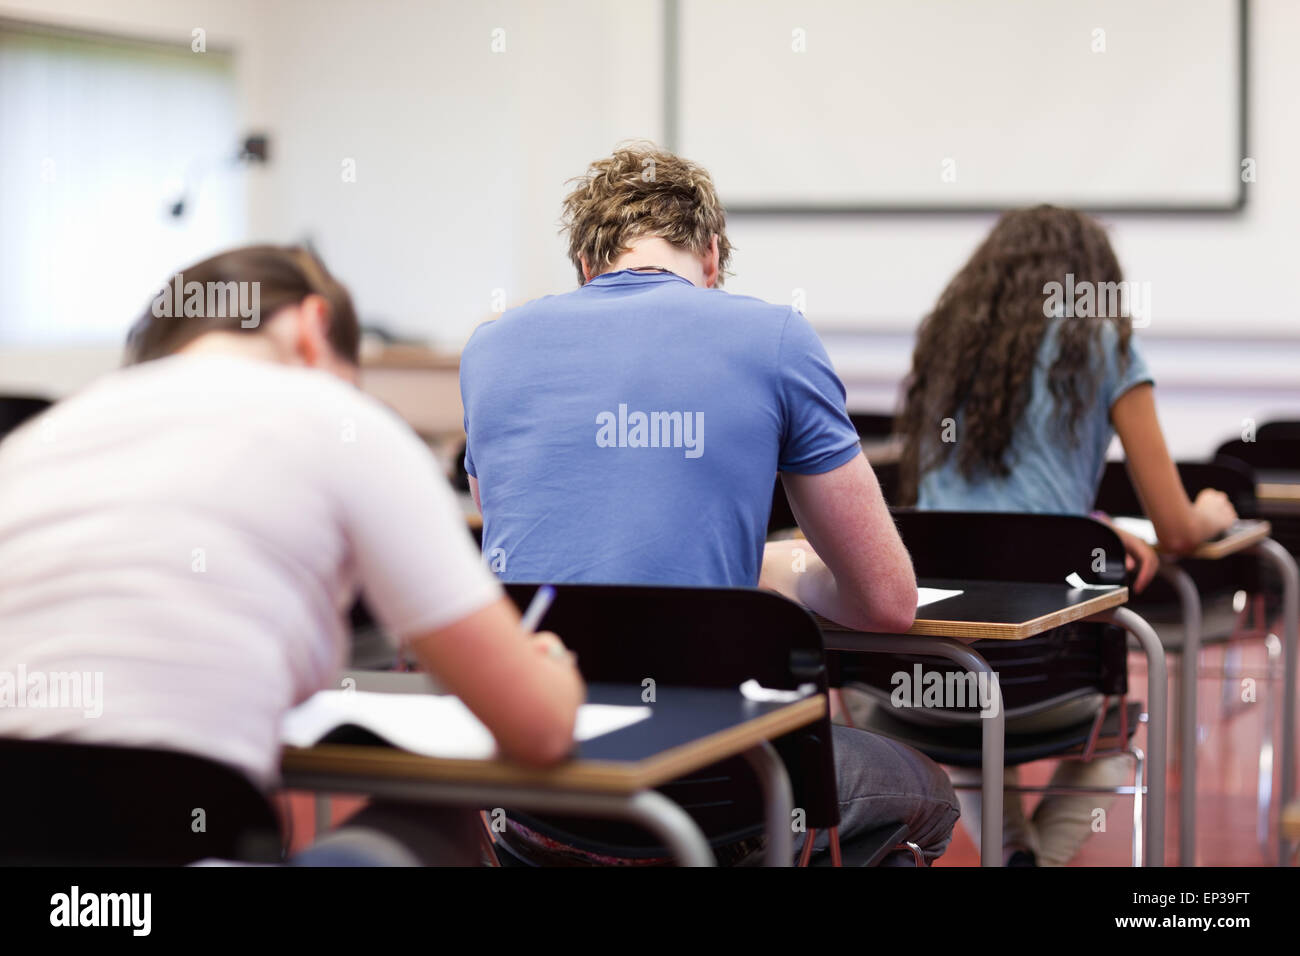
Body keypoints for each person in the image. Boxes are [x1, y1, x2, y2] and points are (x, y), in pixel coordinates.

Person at [0, 245, 584, 865]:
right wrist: (548, 670)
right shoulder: (336, 421)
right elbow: (539, 728)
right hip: (177, 847)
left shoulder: (40, 439)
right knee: (434, 815)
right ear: (312, 326)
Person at [460, 143, 959, 865]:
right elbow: (887, 602)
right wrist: (777, 571)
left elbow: (530, 543)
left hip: (533, 801)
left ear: (584, 268)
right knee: (930, 798)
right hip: (719, 799)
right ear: (713, 259)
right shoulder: (774, 338)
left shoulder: (490, 350)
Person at [878, 205, 1238, 865]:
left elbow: (981, 514)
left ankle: (1013, 852)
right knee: (1116, 729)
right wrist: (1214, 511)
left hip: (917, 685)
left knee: (985, 695)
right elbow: (1178, 532)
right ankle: (1031, 859)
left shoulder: (948, 346)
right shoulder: (1106, 349)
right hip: (1050, 686)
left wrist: (1086, 530)